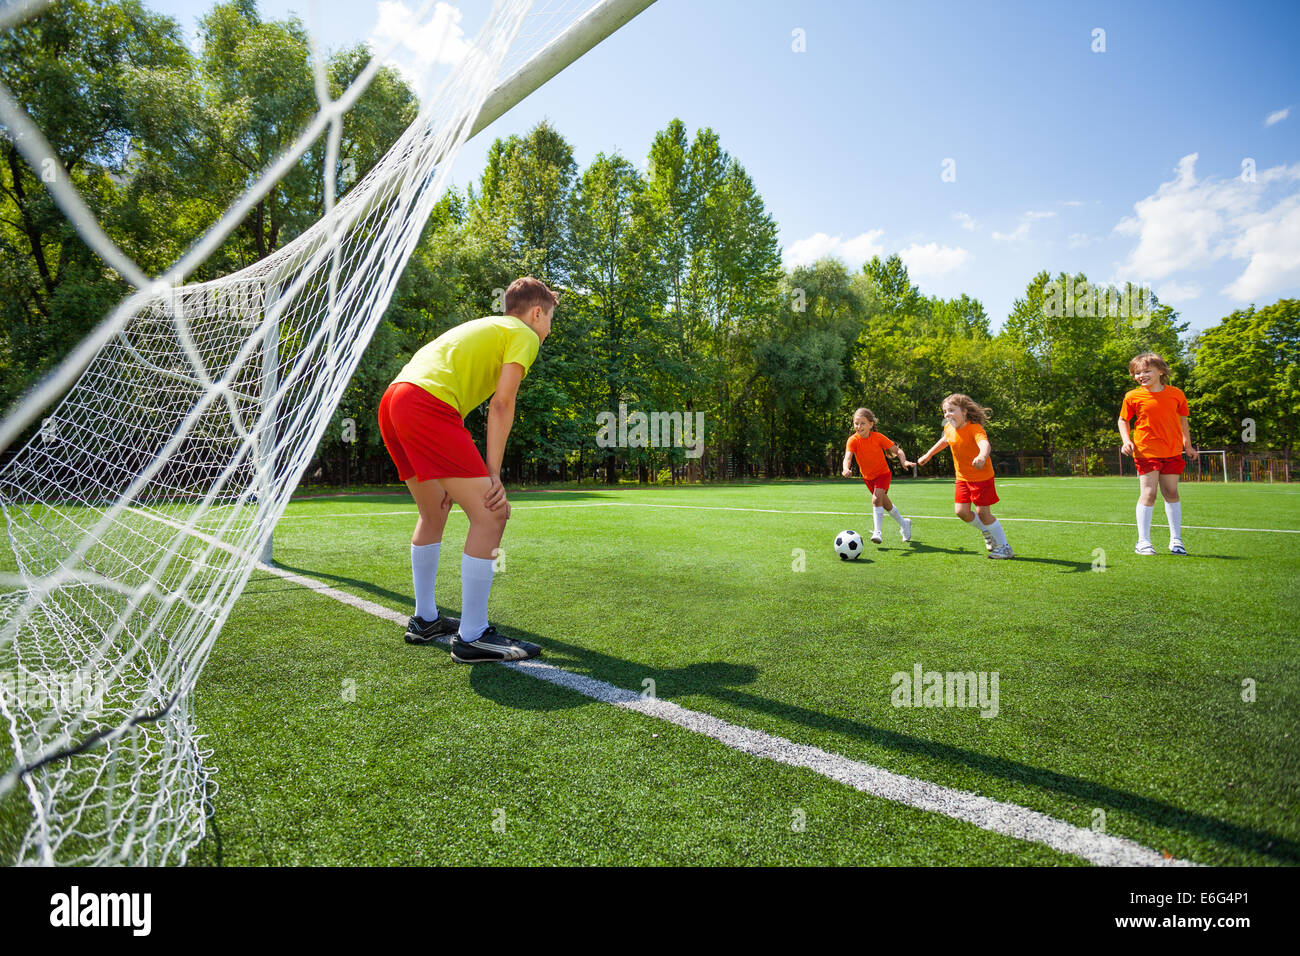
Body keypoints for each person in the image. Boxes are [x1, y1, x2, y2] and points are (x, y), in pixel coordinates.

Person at [377, 276, 556, 662]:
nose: (548, 331)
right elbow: (502, 404)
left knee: (434, 509)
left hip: (395, 398)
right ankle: (472, 635)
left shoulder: (491, 327)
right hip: (427, 404)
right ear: (537, 312)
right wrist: (494, 473)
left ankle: (425, 619)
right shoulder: (523, 334)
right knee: (492, 512)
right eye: (549, 320)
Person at [916, 393, 1014, 559]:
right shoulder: (949, 428)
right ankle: (986, 530)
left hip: (981, 477)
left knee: (983, 513)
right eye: (945, 411)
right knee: (961, 511)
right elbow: (945, 440)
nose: (947, 414)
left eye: (951, 410)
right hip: (962, 477)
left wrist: (982, 456)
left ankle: (1005, 548)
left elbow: (984, 444)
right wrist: (929, 454)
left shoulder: (974, 428)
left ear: (964, 411)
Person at [1118, 351, 1197, 555]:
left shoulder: (1176, 394)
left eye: (1146, 371)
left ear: (1161, 371)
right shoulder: (1132, 396)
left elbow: (1182, 421)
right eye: (1137, 373)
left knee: (1171, 492)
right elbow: (1123, 420)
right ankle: (1143, 542)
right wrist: (1126, 441)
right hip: (1146, 451)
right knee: (1149, 493)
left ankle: (1176, 541)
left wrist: (1187, 445)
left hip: (1172, 451)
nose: (1141, 376)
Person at [841, 407, 913, 543]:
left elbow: (898, 451)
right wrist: (846, 468)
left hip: (883, 474)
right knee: (885, 504)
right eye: (856, 423)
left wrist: (904, 462)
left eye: (862, 423)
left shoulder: (878, 437)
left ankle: (877, 532)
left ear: (871, 424)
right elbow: (848, 457)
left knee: (875, 499)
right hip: (868, 478)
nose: (859, 426)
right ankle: (904, 524)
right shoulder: (852, 440)